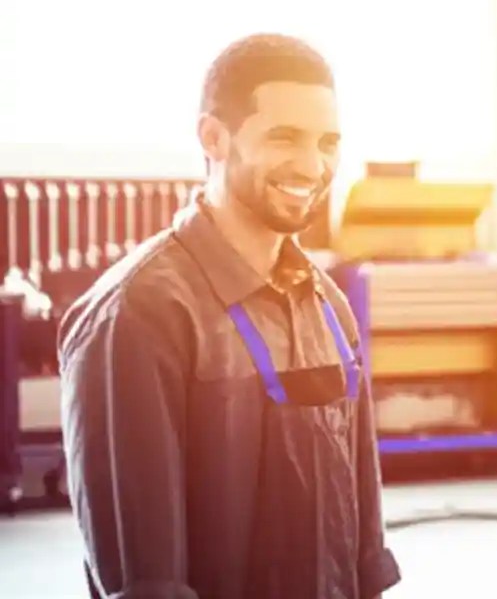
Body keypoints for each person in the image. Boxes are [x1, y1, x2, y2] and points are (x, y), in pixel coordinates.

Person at [58, 33, 401, 598]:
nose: (313, 165)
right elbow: (146, 580)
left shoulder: (327, 306)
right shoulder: (138, 315)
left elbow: (362, 544)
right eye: (284, 137)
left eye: (328, 141)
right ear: (213, 137)